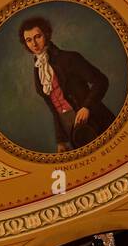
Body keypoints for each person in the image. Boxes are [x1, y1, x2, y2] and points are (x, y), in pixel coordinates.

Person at [19, 16, 115, 152]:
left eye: (37, 36)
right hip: (69, 129)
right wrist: (61, 141)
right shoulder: (38, 69)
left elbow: (101, 81)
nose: (34, 44)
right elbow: (54, 109)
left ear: (46, 34)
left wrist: (86, 107)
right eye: (29, 40)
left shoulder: (69, 58)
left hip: (94, 119)